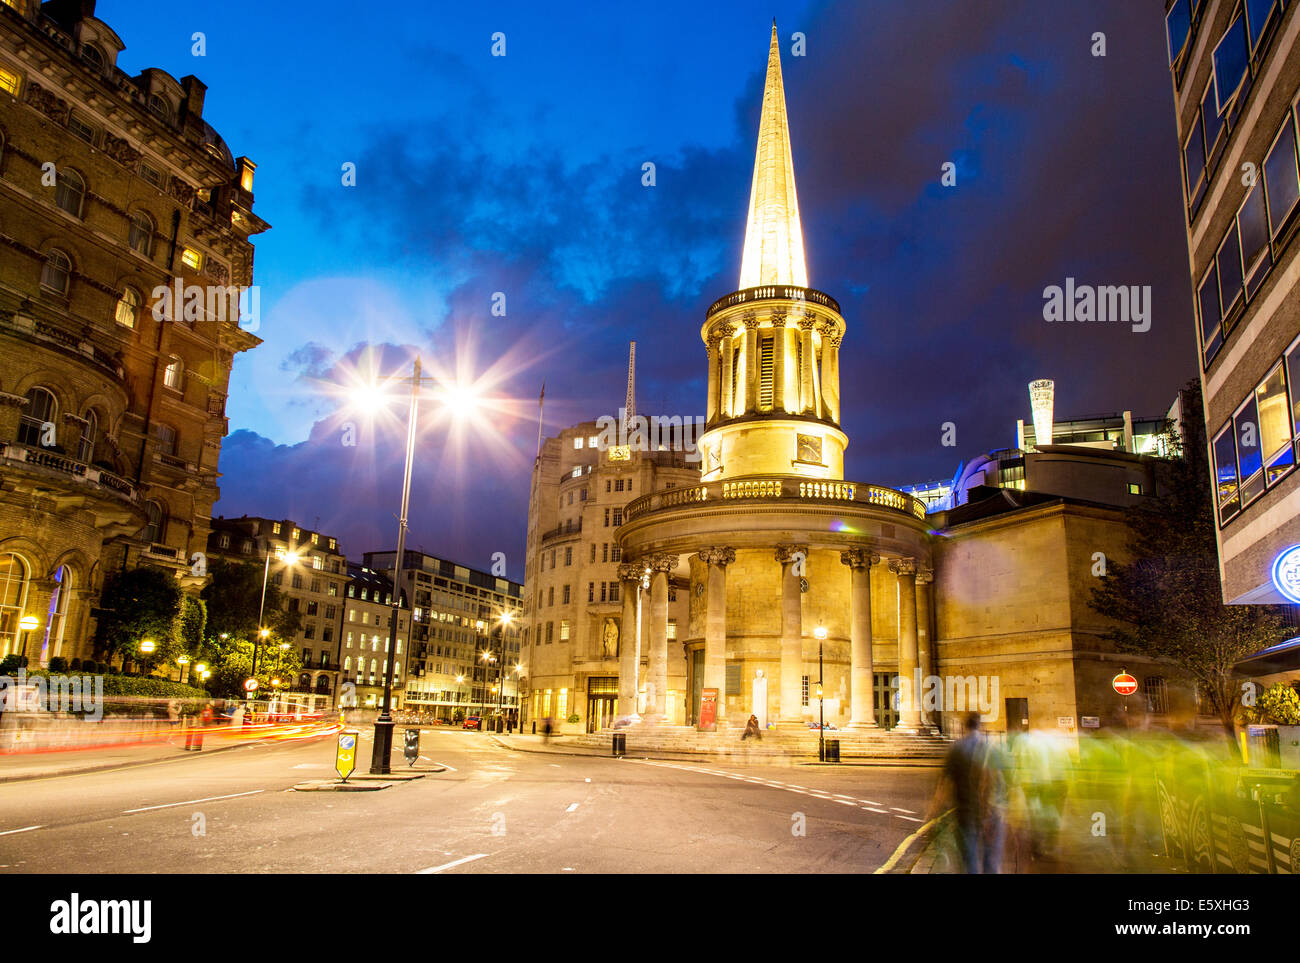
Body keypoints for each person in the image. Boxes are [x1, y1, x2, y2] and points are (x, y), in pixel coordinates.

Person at [930, 712, 1008, 873]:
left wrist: (934, 812)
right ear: (980, 725)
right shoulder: (991, 748)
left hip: (966, 814)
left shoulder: (956, 749)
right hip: (991, 814)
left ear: (965, 726)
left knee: (970, 860)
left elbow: (945, 784)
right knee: (991, 860)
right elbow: (1001, 783)